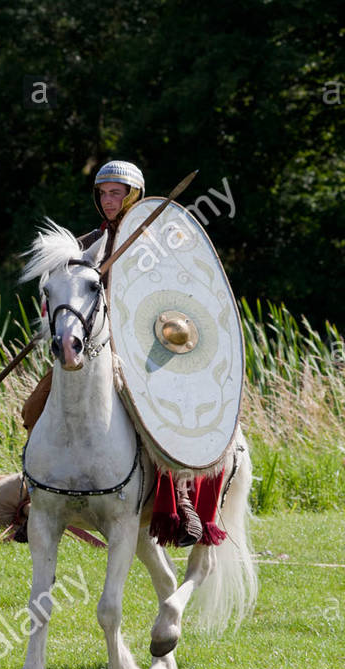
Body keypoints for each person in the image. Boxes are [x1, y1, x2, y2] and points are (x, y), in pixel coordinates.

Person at [19, 159, 215, 548]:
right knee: (34, 408)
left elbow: (168, 298)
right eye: (103, 193)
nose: (109, 201)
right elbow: (65, 292)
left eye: (116, 193)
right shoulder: (87, 242)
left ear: (132, 196)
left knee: (160, 412)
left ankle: (180, 495)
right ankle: (34, 497)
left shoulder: (154, 245)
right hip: (90, 349)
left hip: (140, 348)